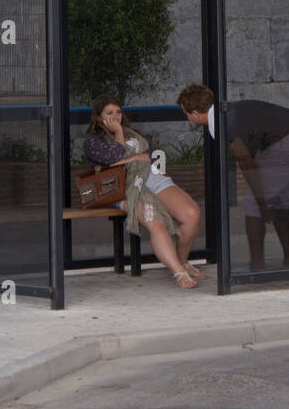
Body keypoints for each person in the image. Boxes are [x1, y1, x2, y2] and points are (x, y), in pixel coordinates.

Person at [177, 84, 289, 270]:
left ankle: (257, 266)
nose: (187, 118)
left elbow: (246, 163)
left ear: (194, 113)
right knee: (279, 200)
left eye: (185, 113)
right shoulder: (228, 110)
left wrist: (261, 201)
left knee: (253, 202)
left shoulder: (223, 121)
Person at [83, 95, 204, 289]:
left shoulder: (135, 134)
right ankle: (178, 273)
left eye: (118, 112)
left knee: (192, 215)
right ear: (98, 118)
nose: (115, 116)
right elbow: (112, 158)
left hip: (153, 178)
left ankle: (182, 261)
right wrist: (119, 133)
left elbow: (153, 157)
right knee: (157, 223)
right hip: (125, 188)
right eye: (109, 113)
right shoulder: (93, 142)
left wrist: (134, 157)